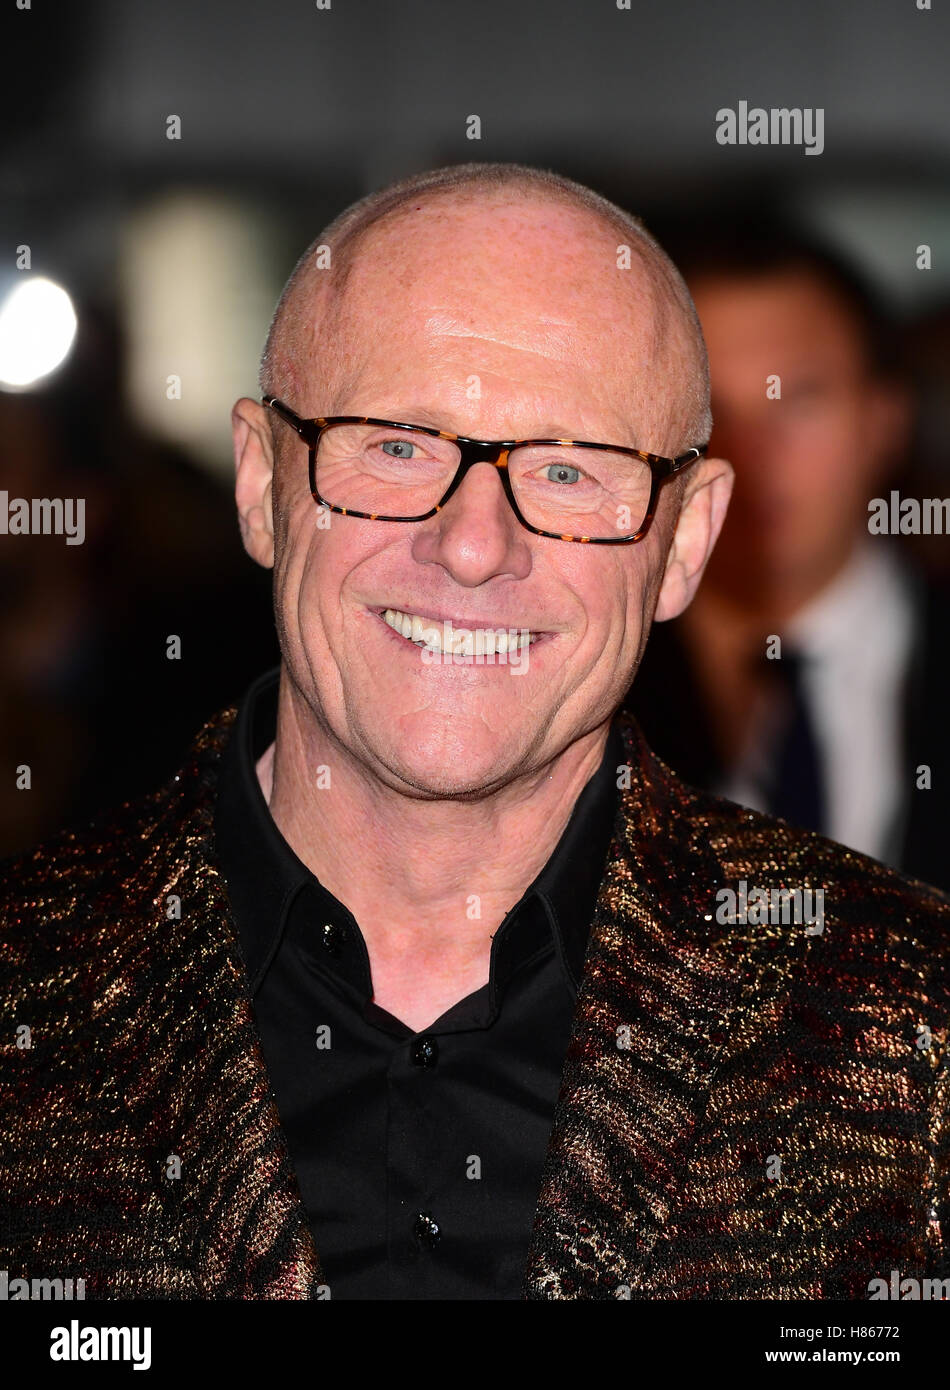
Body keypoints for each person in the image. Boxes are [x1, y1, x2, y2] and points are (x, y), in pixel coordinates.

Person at [1, 163, 947, 1302]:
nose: (470, 546)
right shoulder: (28, 984)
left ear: (685, 542)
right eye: (394, 445)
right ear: (260, 482)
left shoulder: (911, 1028)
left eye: (565, 468)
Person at [627, 224, 950, 889]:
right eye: (711, 412)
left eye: (799, 401)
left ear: (885, 418)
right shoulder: (591, 679)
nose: (749, 456)